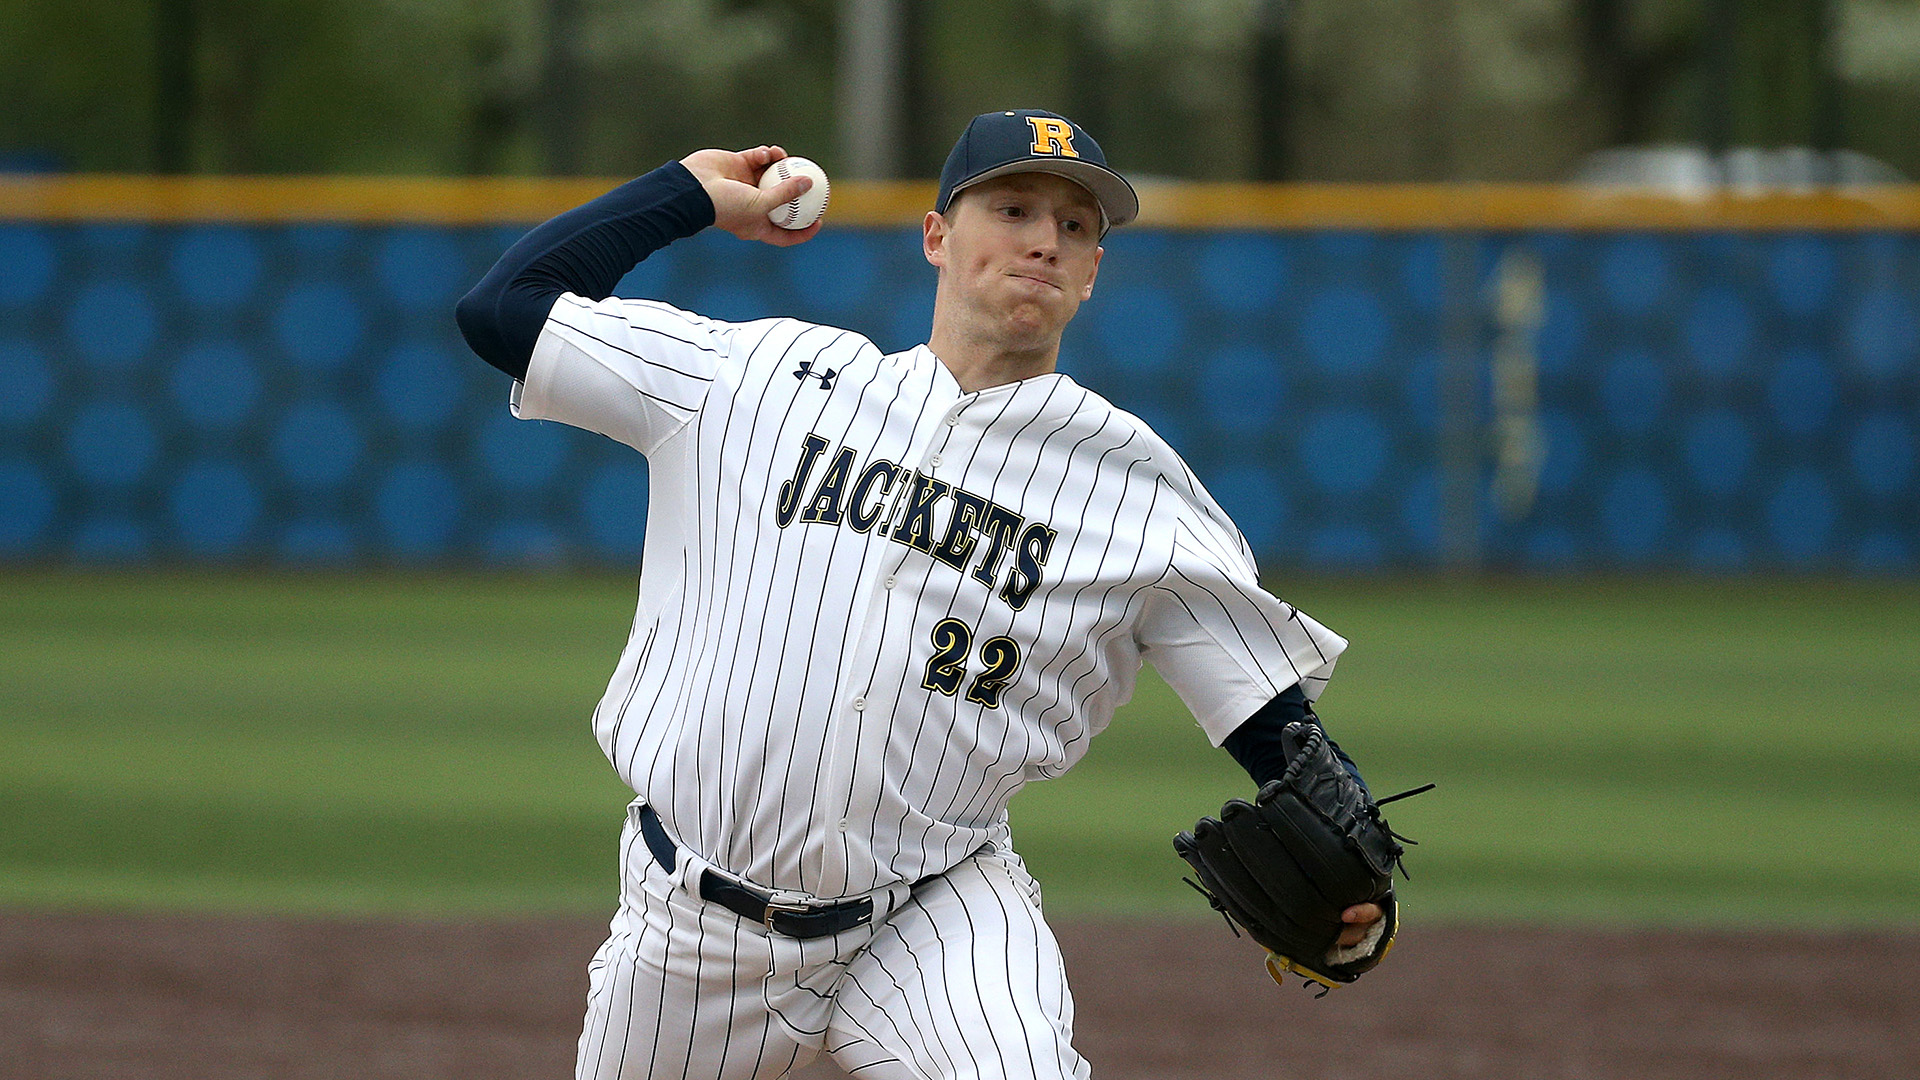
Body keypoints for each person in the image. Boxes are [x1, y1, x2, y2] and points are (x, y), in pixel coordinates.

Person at [456, 109, 1385, 1080]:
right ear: (936, 236)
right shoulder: (752, 377)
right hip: (694, 923)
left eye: (1076, 228)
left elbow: (1271, 723)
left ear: (1093, 272)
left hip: (932, 910)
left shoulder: (1137, 491)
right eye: (1015, 207)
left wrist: (1359, 868)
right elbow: (502, 309)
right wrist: (685, 194)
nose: (1044, 240)